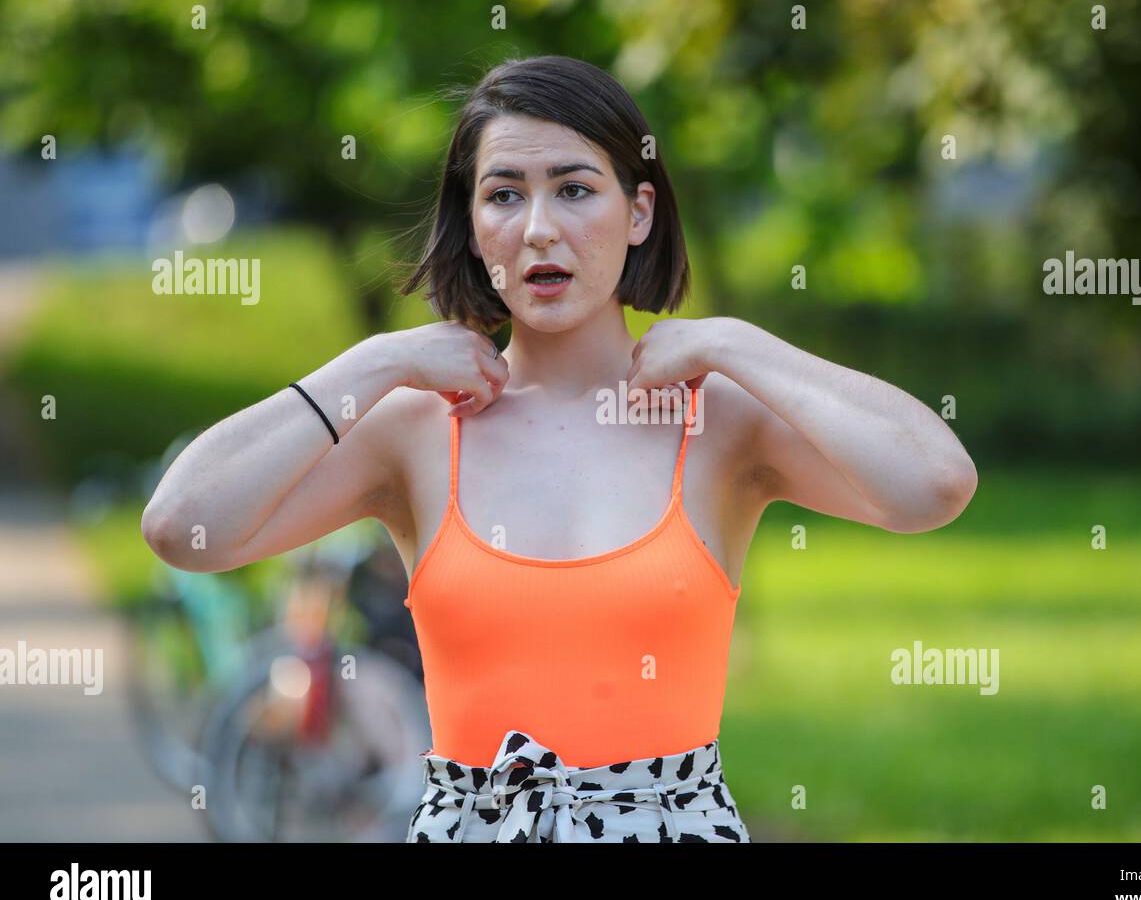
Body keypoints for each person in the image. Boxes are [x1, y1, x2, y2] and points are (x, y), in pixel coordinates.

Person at [141, 55, 978, 843]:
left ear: (639, 212)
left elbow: (933, 483)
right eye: (504, 196)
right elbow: (183, 525)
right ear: (473, 227)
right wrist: (379, 360)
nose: (538, 229)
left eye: (575, 190)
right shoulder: (417, 430)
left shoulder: (719, 420)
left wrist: (735, 344)